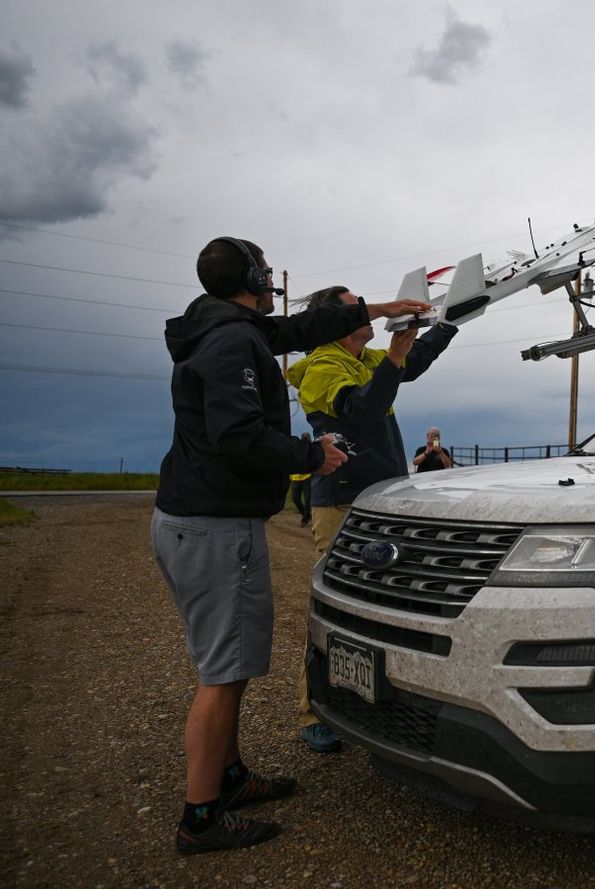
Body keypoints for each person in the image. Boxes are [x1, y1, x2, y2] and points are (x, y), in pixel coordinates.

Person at [151, 236, 430, 854]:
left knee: (228, 664)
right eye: (266, 270)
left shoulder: (227, 328)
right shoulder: (231, 341)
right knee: (223, 673)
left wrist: (379, 312)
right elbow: (236, 434)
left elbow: (300, 325)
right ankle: (200, 819)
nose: (273, 278)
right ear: (253, 274)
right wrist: (312, 454)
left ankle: (229, 776)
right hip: (214, 523)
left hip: (200, 518)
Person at [286, 285, 457, 752]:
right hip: (340, 501)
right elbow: (361, 409)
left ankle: (379, 696)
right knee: (336, 604)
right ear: (332, 321)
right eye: (352, 307)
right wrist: (396, 357)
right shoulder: (323, 366)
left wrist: (448, 325)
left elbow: (410, 364)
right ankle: (310, 709)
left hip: (379, 499)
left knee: (383, 604)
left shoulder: (362, 360)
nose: (365, 311)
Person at [288, 432, 313, 525]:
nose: (306, 439)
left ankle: (305, 519)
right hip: (295, 477)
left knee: (308, 499)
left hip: (308, 477)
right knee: (295, 498)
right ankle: (306, 515)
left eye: (307, 438)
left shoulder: (312, 449)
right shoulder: (297, 448)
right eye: (304, 438)